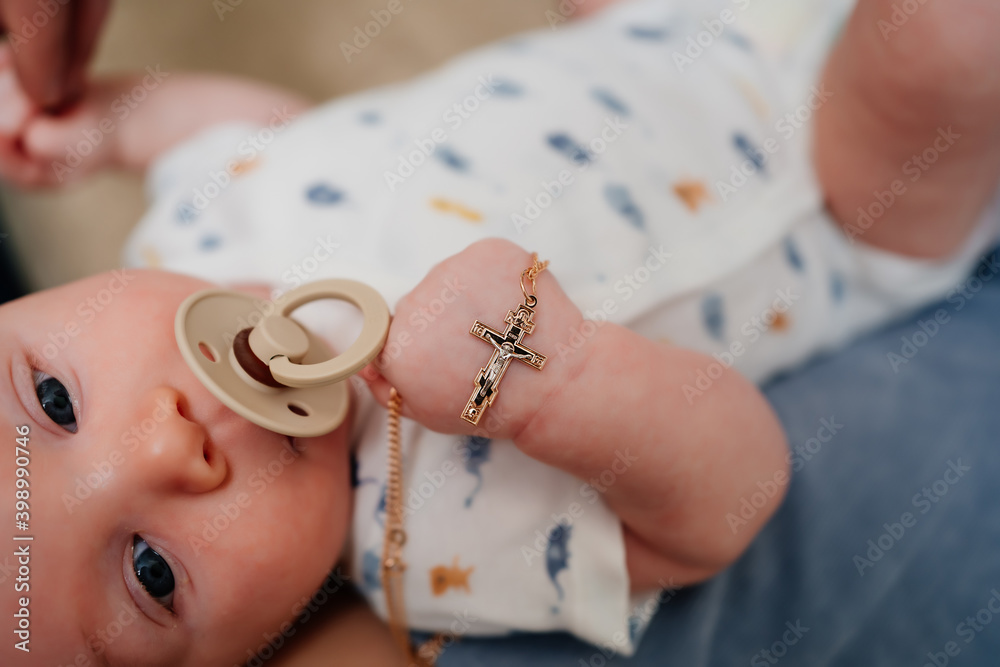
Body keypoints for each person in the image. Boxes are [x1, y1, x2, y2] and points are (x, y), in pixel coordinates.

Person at [0, 0, 997, 664]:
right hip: (830, 189)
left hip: (647, 32)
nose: (168, 443)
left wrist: (114, 125)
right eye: (152, 572)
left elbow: (270, 138)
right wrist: (550, 384)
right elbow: (731, 500)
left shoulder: (187, 233)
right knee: (944, 37)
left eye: (52, 398)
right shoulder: (432, 547)